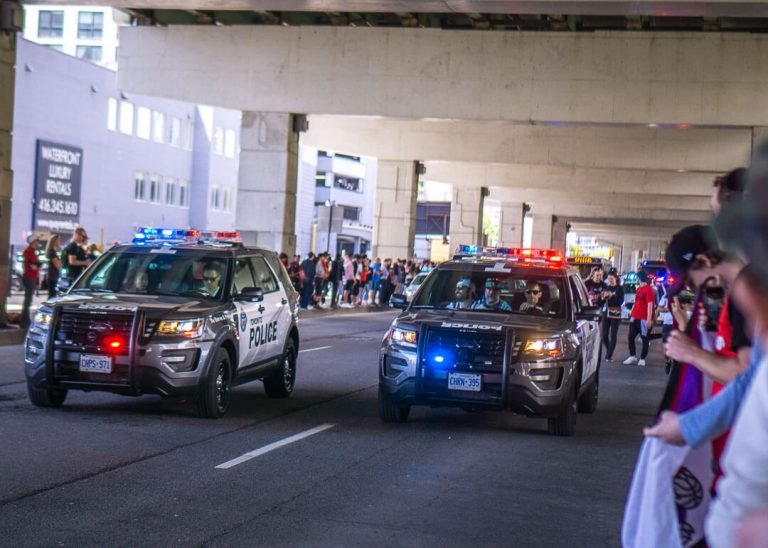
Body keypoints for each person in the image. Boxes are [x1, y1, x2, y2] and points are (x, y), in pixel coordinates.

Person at [623, 270, 655, 367]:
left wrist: (649, 319)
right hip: (635, 316)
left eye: (637, 277)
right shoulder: (639, 289)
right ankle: (632, 355)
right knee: (630, 337)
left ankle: (642, 358)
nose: (636, 279)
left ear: (640, 278)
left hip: (643, 318)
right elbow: (636, 303)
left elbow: (650, 305)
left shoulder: (648, 290)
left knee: (645, 338)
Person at [601, 272, 624, 362]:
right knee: (604, 335)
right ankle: (609, 349)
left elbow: (621, 301)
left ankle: (609, 355)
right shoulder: (606, 287)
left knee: (613, 335)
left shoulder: (619, 288)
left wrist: (612, 296)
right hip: (606, 312)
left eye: (612, 278)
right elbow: (602, 300)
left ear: (615, 278)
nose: (610, 280)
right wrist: (603, 297)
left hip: (615, 313)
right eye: (609, 278)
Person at [21, 235, 41, 327]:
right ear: (33, 242)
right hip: (29, 277)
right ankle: (24, 321)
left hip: (32, 277)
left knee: (29, 300)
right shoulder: (28, 251)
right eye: (37, 241)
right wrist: (36, 265)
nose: (38, 243)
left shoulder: (32, 251)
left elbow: (35, 266)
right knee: (28, 300)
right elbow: (32, 266)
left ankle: (25, 320)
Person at [44, 234, 62, 299]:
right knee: (52, 296)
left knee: (52, 295)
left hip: (53, 276)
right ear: (55, 241)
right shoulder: (52, 253)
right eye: (59, 240)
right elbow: (58, 266)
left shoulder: (53, 252)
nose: (60, 242)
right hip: (52, 277)